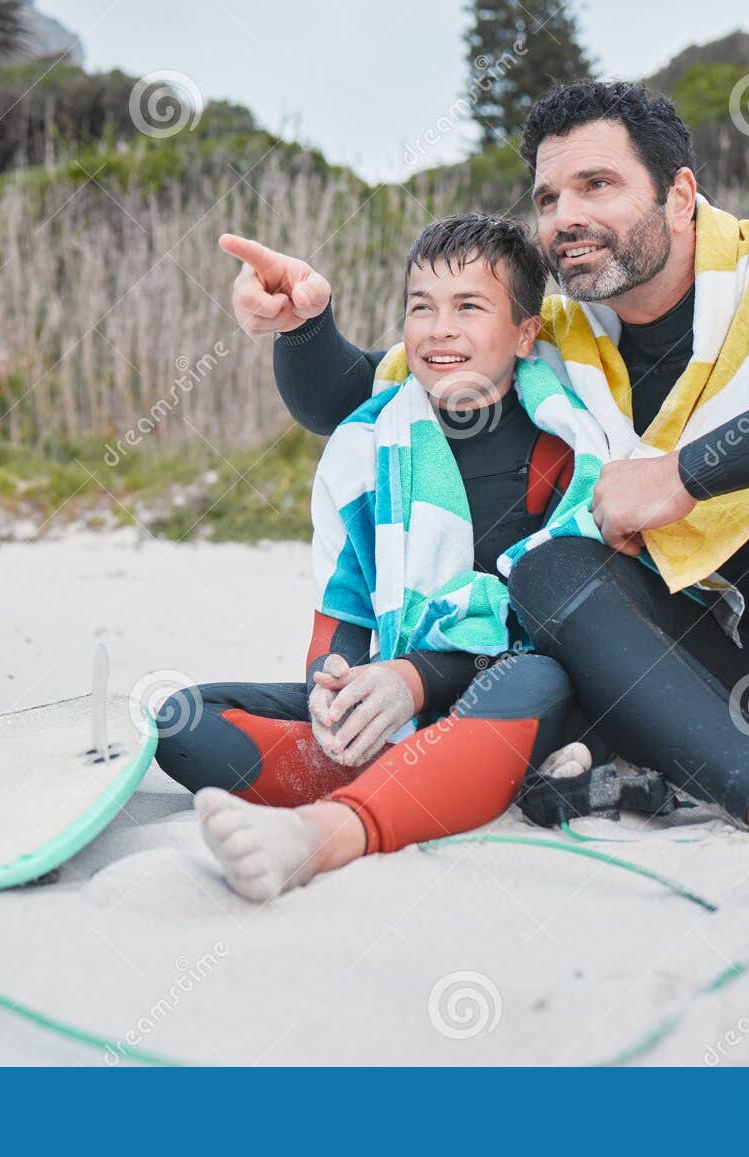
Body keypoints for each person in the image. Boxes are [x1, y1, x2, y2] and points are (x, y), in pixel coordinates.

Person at [224, 80, 749, 915]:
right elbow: (358, 395)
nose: (564, 217)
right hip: (735, 688)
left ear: (681, 194)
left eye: (597, 185)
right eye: (548, 197)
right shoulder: (560, 335)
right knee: (550, 569)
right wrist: (304, 324)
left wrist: (684, 472)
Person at [157, 214, 604, 902]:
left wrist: (417, 678)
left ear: (525, 332)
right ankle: (431, 773)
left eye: (469, 306)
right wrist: (331, 691)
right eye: (420, 307)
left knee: (536, 678)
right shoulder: (371, 446)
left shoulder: (564, 445)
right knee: (180, 717)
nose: (438, 328)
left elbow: (555, 628)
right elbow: (338, 621)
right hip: (400, 699)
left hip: (519, 683)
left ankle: (353, 815)